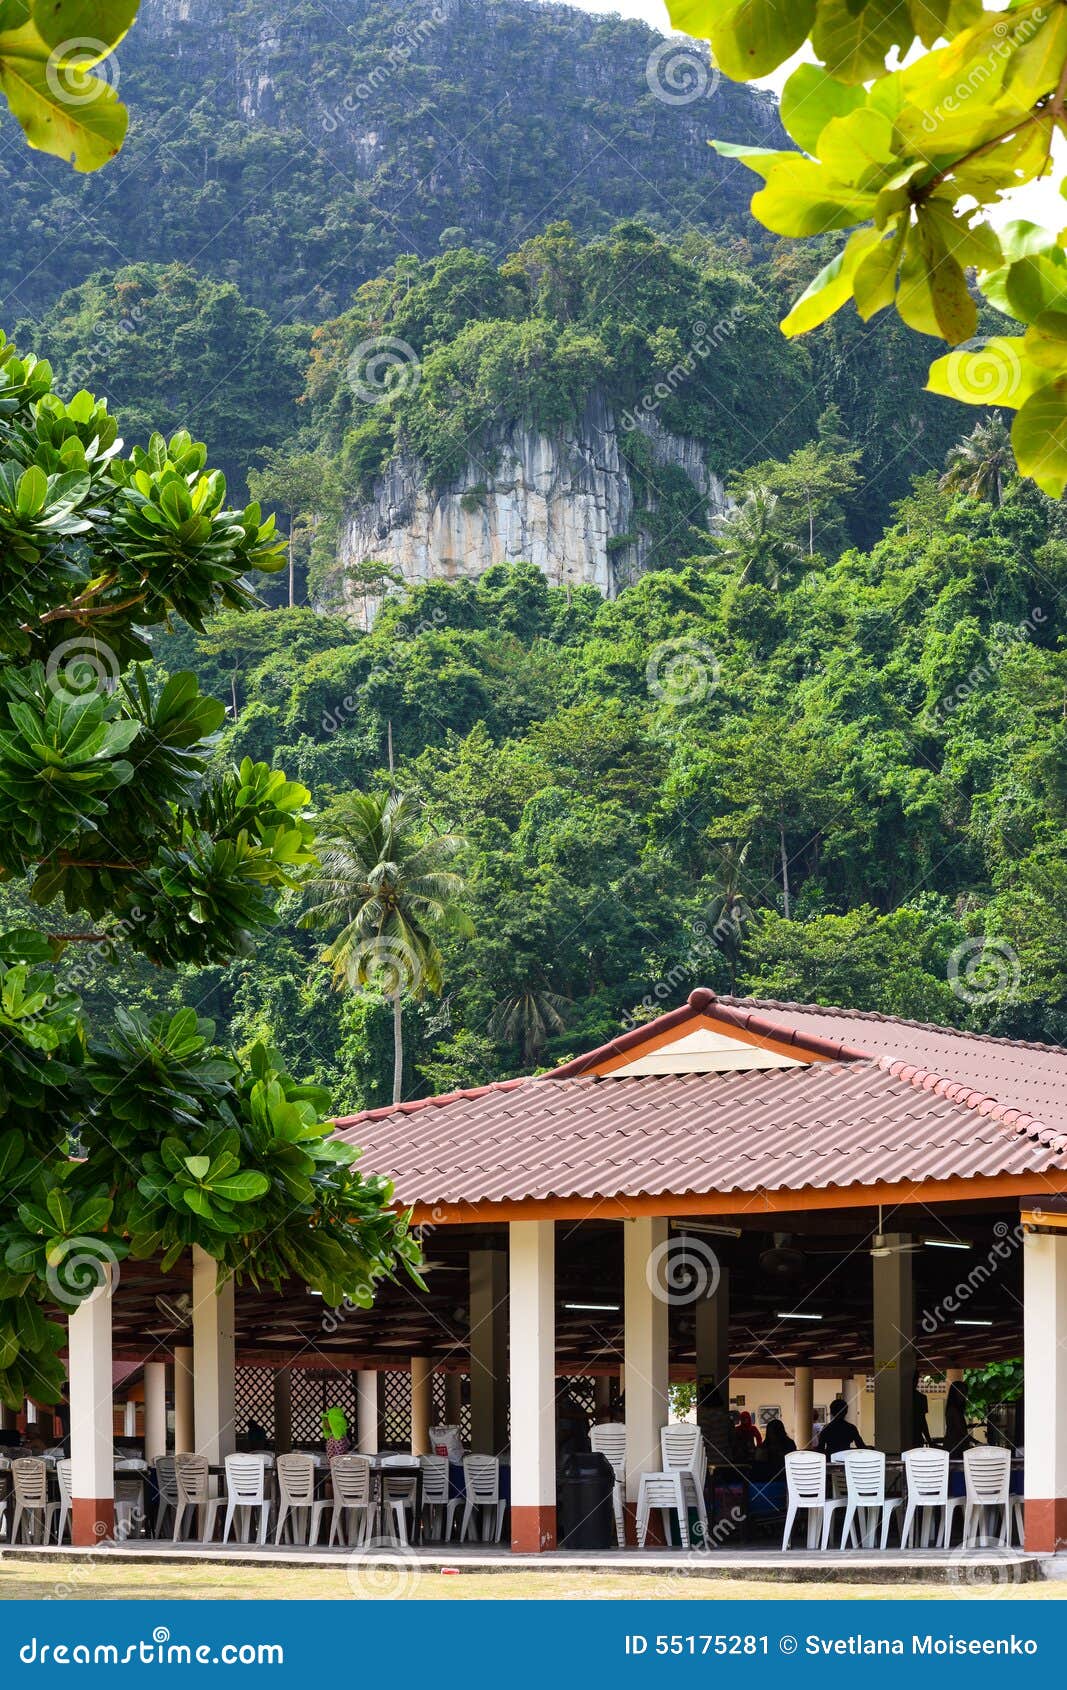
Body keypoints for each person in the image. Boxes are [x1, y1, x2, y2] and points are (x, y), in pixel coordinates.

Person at [751, 1416, 795, 1481]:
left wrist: (777, 1452)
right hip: (767, 1476)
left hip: (784, 1475)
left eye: (773, 1433)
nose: (771, 1435)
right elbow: (759, 1461)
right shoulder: (766, 1444)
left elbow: (791, 1460)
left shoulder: (789, 1443)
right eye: (769, 1433)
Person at [943, 1380, 974, 1458]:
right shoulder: (953, 1410)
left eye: (965, 1392)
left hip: (956, 1445)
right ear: (954, 1393)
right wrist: (975, 1441)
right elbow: (961, 1430)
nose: (964, 1395)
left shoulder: (954, 1409)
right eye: (962, 1392)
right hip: (955, 1446)